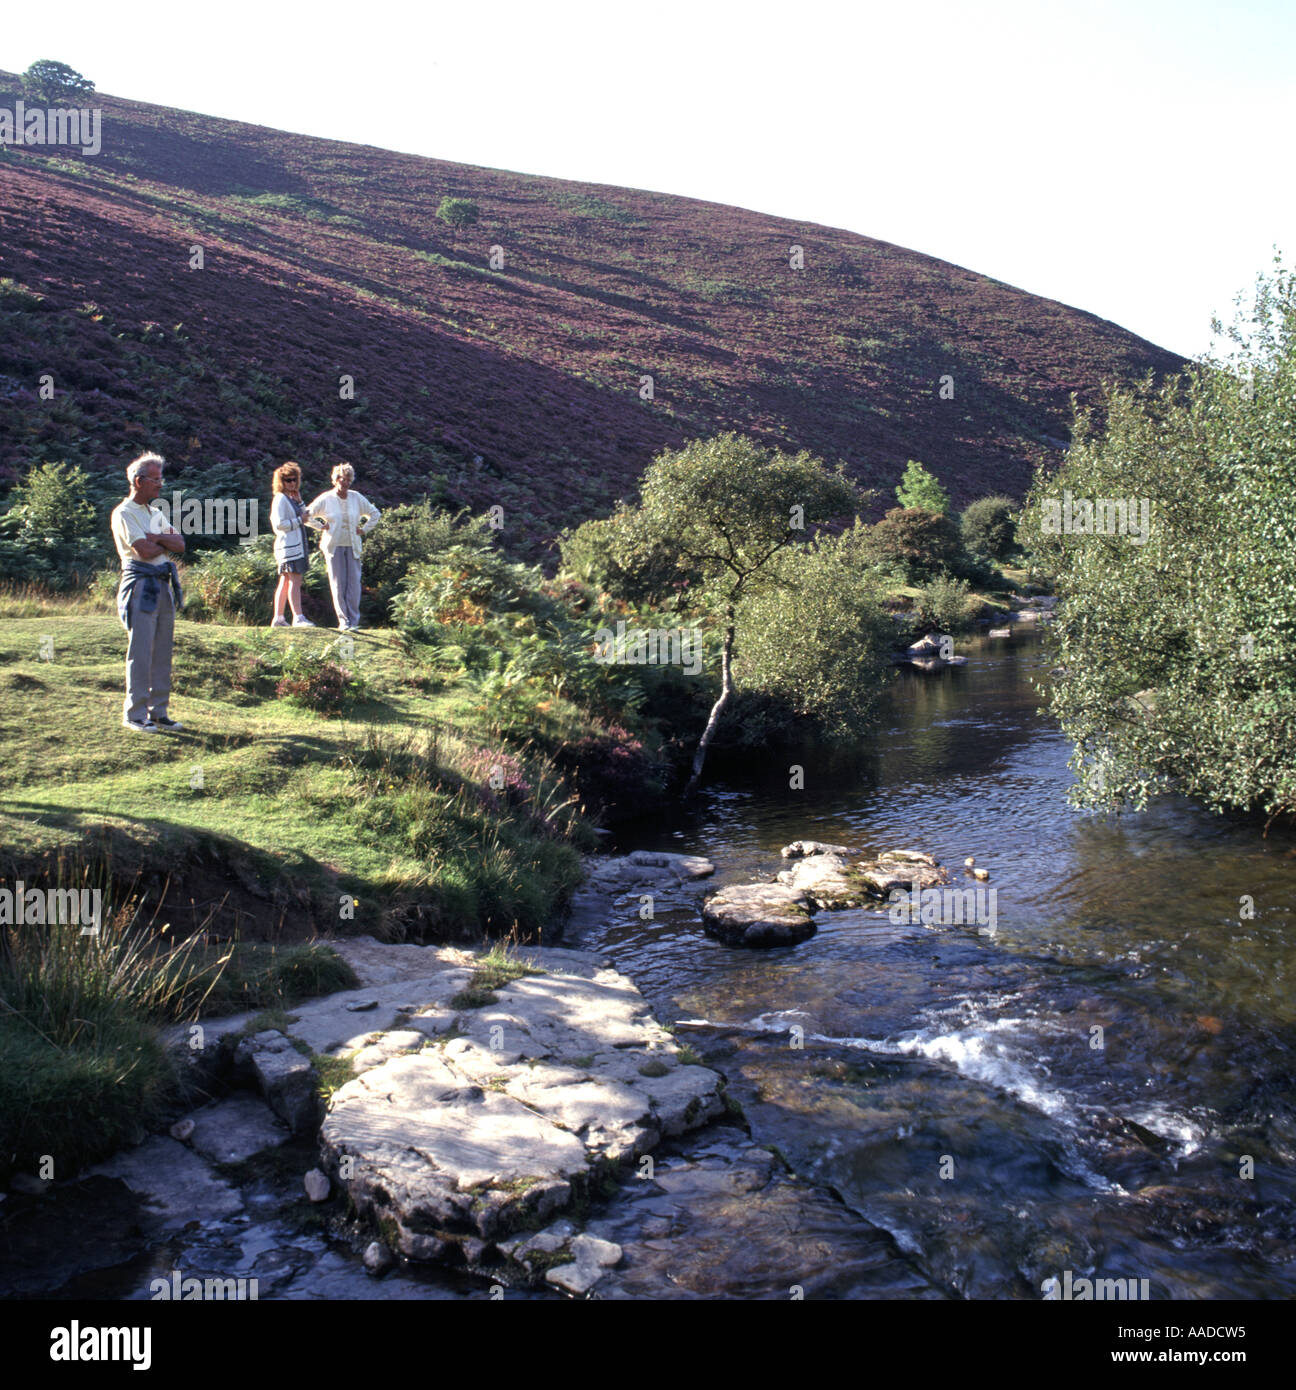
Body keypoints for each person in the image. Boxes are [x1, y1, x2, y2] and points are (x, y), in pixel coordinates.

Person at [109, 452, 185, 733]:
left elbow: (180, 543)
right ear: (138, 481)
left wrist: (159, 538)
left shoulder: (154, 513)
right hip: (141, 584)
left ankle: (158, 712)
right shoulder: (124, 513)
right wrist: (161, 541)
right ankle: (134, 714)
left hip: (162, 583)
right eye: (155, 479)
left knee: (162, 650)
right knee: (140, 651)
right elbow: (144, 550)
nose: (160, 485)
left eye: (160, 478)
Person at [304, 463, 381, 631]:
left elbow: (375, 513)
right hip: (334, 546)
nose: (344, 482)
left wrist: (364, 529)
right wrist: (320, 526)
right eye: (341, 478)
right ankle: (343, 621)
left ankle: (354, 621)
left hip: (353, 546)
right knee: (338, 584)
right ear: (335, 479)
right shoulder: (326, 498)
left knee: (354, 584)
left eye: (348, 479)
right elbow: (306, 514)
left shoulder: (356, 497)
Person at [269, 462, 315, 627]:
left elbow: (306, 517)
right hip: (288, 547)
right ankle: (298, 617)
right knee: (295, 580)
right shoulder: (280, 499)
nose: (292, 483)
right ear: (281, 481)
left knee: (285, 581)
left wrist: (301, 502)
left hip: (292, 547)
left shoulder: (291, 498)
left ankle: (279, 618)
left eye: (294, 479)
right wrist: (298, 521)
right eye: (288, 480)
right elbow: (278, 525)